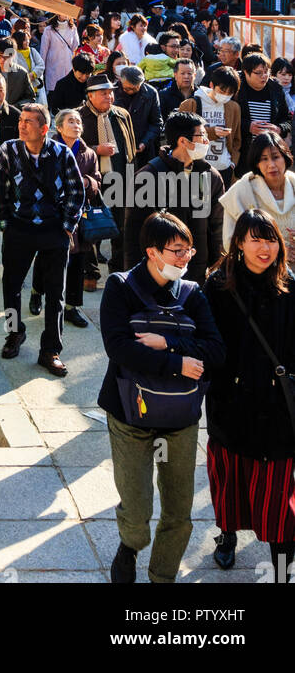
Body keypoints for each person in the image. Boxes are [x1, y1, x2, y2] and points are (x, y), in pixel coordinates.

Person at [98, 212, 225, 584]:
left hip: (181, 416)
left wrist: (169, 344)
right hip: (129, 413)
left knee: (179, 511)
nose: (185, 258)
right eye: (177, 251)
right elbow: (120, 349)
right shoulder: (120, 287)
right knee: (136, 509)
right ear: (152, 251)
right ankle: (130, 545)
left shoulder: (192, 293)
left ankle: (162, 577)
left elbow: (215, 350)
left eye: (189, 250)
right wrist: (178, 363)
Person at [204, 208, 295, 579]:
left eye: (270, 238)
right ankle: (226, 536)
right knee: (230, 480)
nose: (264, 247)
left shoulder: (289, 285)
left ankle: (282, 568)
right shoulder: (218, 285)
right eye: (255, 238)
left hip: (278, 410)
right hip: (232, 405)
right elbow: (208, 344)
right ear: (238, 242)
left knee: (279, 499)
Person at [0, 103, 84, 375]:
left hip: (53, 229)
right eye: (21, 120)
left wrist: (68, 227)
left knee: (55, 294)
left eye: (28, 122)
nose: (21, 125)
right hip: (19, 227)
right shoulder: (8, 150)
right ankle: (14, 333)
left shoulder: (61, 154)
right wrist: (4, 221)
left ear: (44, 129)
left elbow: (76, 192)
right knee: (11, 287)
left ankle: (51, 350)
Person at [124, 111, 224, 281]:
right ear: (183, 141)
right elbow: (133, 233)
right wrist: (134, 278)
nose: (207, 141)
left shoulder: (211, 176)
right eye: (202, 135)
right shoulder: (149, 176)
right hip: (159, 272)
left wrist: (218, 267)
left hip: (197, 270)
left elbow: (217, 227)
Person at [29, 107, 100, 328]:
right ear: (58, 128)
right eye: (71, 121)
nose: (76, 125)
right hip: (53, 213)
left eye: (78, 121)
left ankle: (72, 306)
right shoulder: (47, 149)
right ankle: (36, 292)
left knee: (78, 260)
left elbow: (98, 180)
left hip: (79, 214)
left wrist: (89, 182)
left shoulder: (88, 153)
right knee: (47, 256)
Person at [79, 74, 137, 272]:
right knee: (91, 226)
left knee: (121, 228)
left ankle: (118, 270)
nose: (109, 97)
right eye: (104, 93)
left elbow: (131, 147)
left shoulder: (121, 114)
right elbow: (74, 149)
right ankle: (91, 272)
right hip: (92, 180)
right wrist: (96, 150)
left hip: (120, 177)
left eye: (111, 93)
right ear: (91, 95)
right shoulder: (79, 116)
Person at [221, 131, 295, 255]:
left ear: (285, 157)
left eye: (276, 157)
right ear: (256, 163)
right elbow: (230, 243)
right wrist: (276, 253)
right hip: (259, 270)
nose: (271, 165)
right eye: (264, 159)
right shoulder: (241, 191)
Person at [178, 65, 241, 187]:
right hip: (198, 167)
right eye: (222, 91)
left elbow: (237, 139)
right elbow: (181, 134)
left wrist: (232, 162)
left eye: (230, 93)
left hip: (224, 167)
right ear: (212, 85)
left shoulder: (234, 108)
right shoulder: (191, 104)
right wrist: (212, 132)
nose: (226, 95)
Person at [235, 53, 292, 174]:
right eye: (258, 73)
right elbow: (228, 118)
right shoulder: (237, 88)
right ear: (245, 72)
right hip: (242, 152)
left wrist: (278, 129)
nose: (264, 76)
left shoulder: (276, 88)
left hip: (269, 152)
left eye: (266, 71)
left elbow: (287, 120)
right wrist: (248, 126)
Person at [114, 65, 163, 167]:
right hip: (119, 149)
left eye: (136, 87)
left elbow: (156, 123)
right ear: (121, 81)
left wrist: (144, 142)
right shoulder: (113, 93)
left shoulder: (150, 93)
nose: (132, 91)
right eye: (128, 88)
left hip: (143, 148)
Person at [39, 15, 80, 94]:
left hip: (68, 65)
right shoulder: (48, 29)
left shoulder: (73, 28)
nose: (65, 14)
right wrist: (41, 68)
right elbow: (43, 50)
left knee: (68, 92)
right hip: (53, 66)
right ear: (57, 14)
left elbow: (75, 46)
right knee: (54, 92)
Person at [49, 52, 95, 117]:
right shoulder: (62, 85)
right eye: (81, 74)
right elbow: (55, 110)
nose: (84, 77)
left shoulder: (94, 84)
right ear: (73, 69)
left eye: (87, 74)